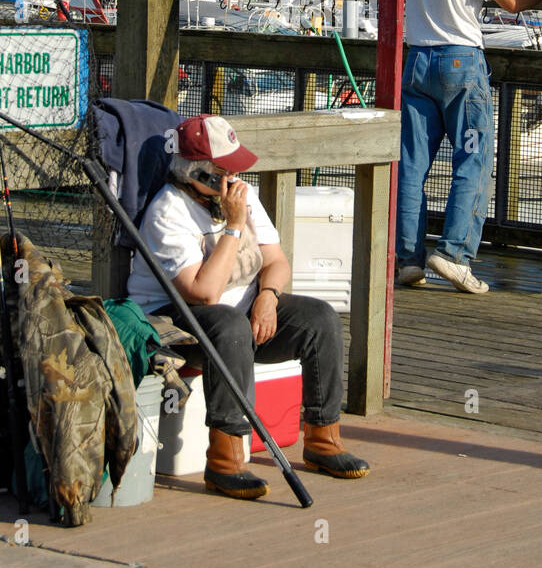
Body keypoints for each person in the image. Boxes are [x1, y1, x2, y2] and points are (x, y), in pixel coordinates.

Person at [126, 113, 370, 500]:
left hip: (242, 315)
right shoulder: (167, 213)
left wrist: (267, 298)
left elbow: (277, 262)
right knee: (228, 325)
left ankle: (323, 438)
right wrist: (234, 227)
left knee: (320, 318)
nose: (235, 179)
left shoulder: (240, 195)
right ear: (198, 173)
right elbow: (202, 292)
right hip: (173, 322)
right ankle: (225, 460)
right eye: (225, 170)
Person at [396, 0, 542, 294]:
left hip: (417, 61)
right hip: (460, 64)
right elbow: (511, 3)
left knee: (411, 167)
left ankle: (407, 259)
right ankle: (453, 254)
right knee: (473, 160)